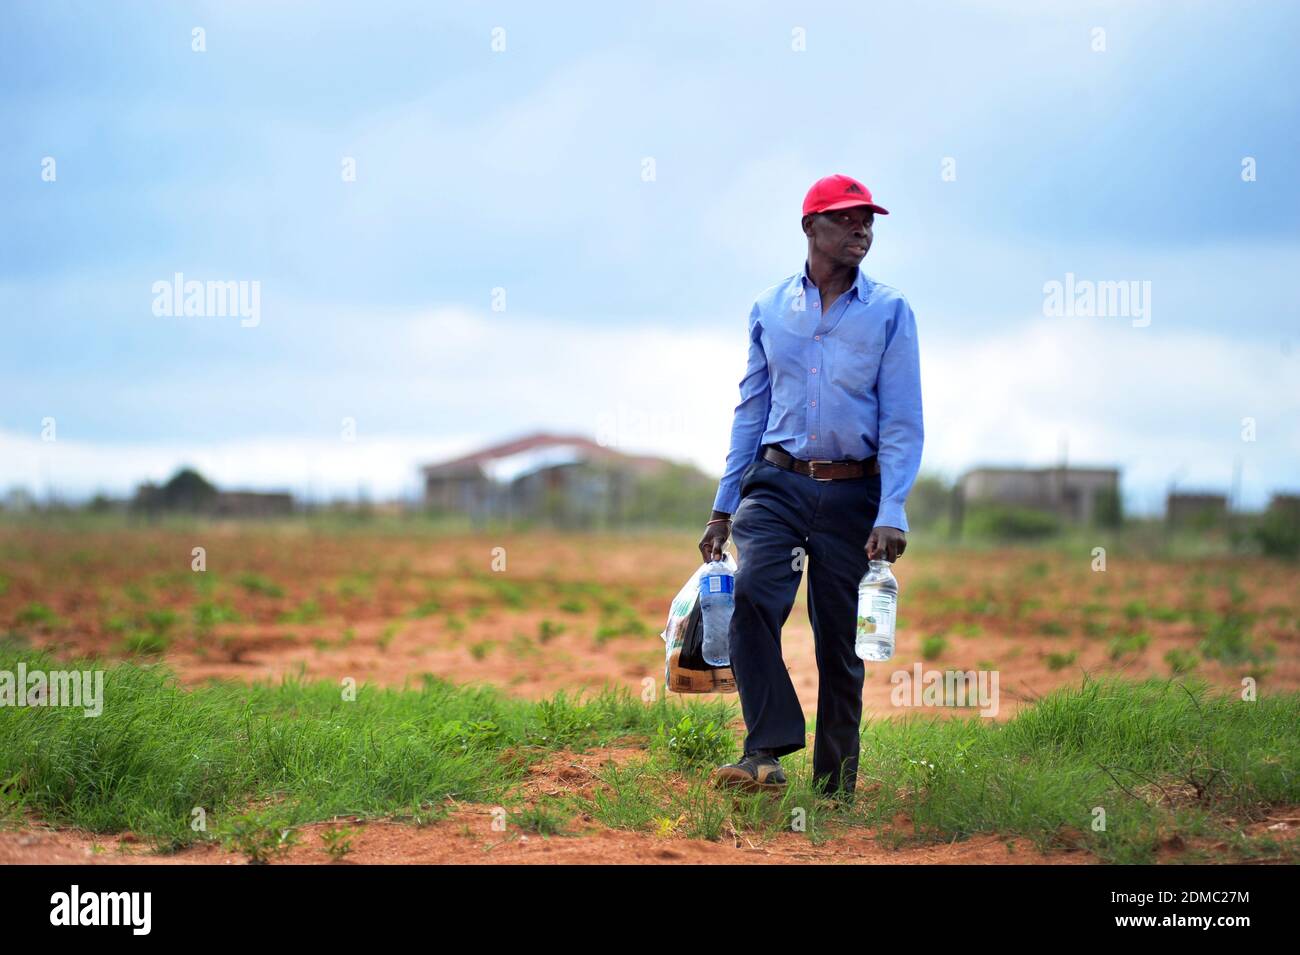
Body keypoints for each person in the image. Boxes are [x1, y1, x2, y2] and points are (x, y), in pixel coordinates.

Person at [697, 173, 924, 800]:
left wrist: (893, 508)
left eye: (868, 220)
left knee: (840, 644)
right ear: (810, 228)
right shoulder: (770, 308)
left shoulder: (889, 311)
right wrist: (724, 506)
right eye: (847, 219)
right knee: (749, 600)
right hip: (777, 484)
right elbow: (751, 409)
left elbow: (903, 419)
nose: (861, 230)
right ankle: (764, 750)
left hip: (855, 494)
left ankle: (834, 788)